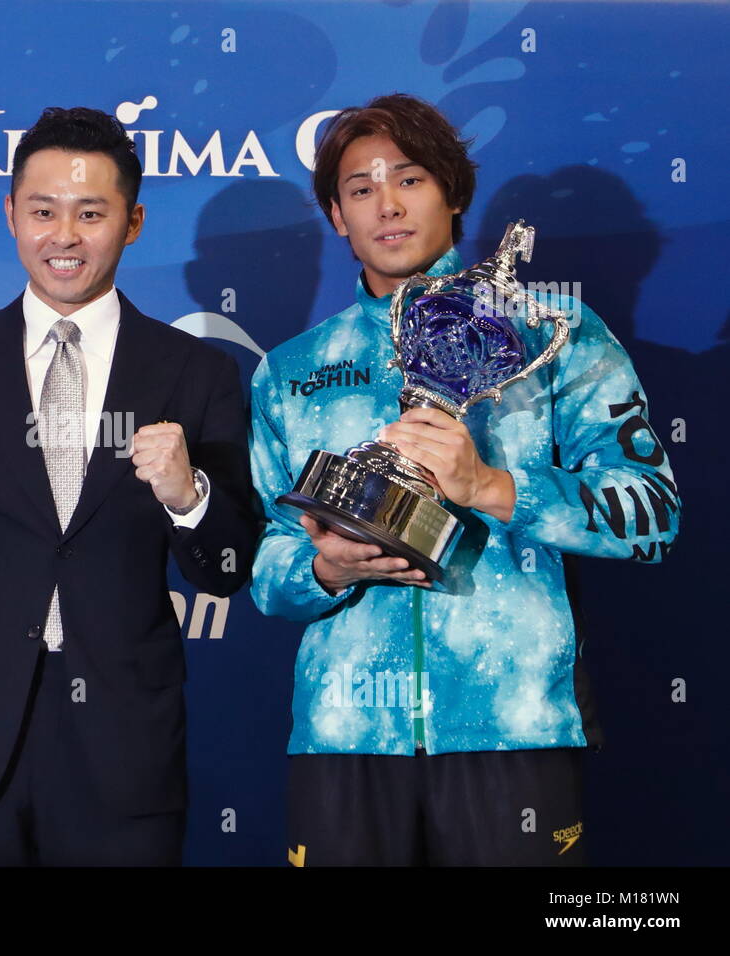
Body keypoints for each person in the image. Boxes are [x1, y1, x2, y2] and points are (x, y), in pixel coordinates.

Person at [249, 94, 680, 866]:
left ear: (452, 192)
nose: (387, 205)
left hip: (512, 723)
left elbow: (652, 515)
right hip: (345, 732)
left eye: (409, 179)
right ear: (336, 218)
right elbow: (266, 570)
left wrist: (492, 487)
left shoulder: (554, 333)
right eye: (360, 189)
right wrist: (324, 567)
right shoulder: (290, 370)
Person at [0, 107, 257, 866]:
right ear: (11, 214)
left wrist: (188, 493)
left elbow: (227, 569)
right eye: (42, 211)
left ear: (133, 221)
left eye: (91, 213)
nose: (64, 236)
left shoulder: (196, 370)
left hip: (125, 736)